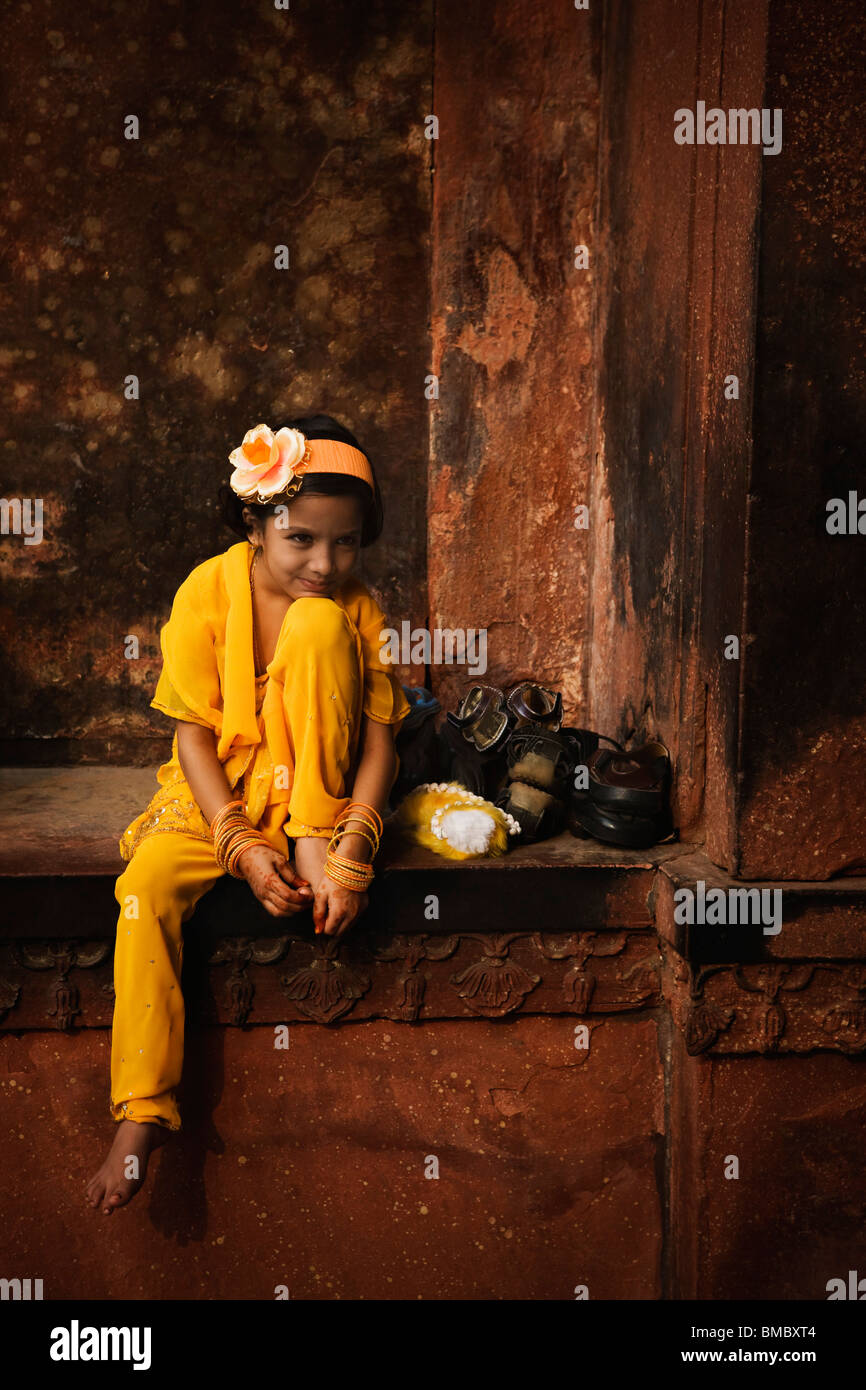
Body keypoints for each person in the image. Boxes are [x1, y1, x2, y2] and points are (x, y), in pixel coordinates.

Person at [86, 414, 410, 1215]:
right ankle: (142, 1112)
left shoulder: (351, 606)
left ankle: (307, 836)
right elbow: (192, 738)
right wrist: (235, 841)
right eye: (300, 538)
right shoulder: (210, 588)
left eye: (345, 544)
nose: (324, 562)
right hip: (219, 798)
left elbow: (379, 747)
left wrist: (351, 847)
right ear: (254, 522)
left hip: (321, 802)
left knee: (319, 623)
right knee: (147, 885)